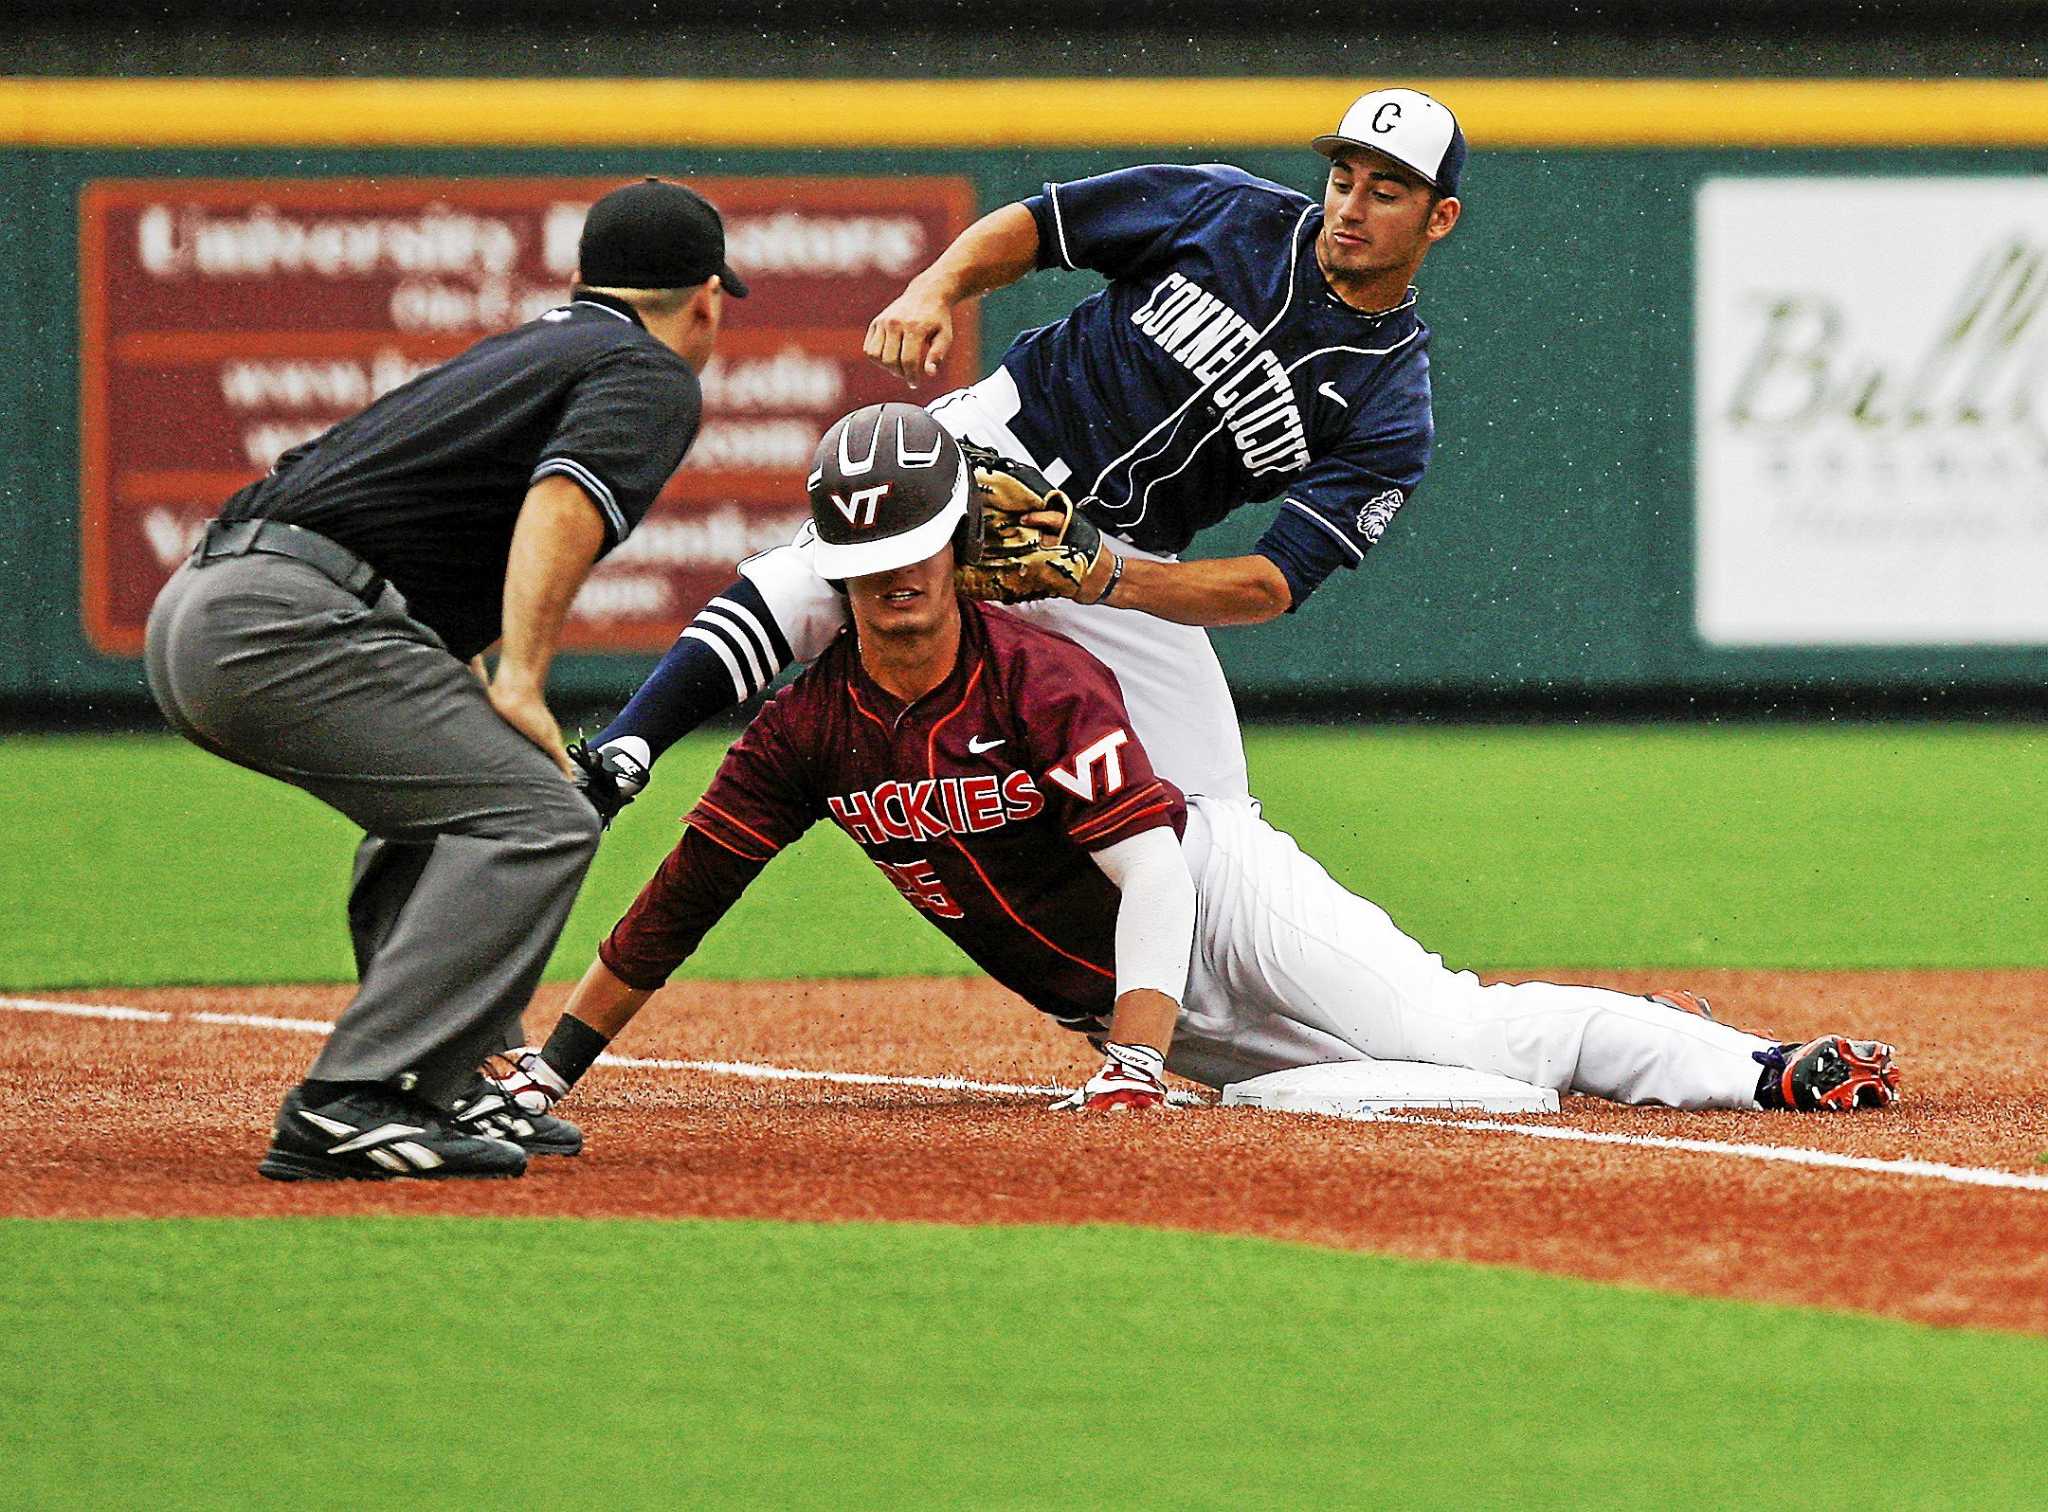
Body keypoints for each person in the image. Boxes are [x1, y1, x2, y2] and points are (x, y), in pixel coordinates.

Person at [487, 404, 1902, 1126]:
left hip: (1212, 901)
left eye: (915, 551)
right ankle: (1627, 1036)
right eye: (864, 564)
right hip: (1143, 999)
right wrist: (551, 1073)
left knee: (1473, 1040)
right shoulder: (807, 735)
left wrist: (1129, 1061)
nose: (894, 584)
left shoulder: (1037, 670)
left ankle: (1764, 1069)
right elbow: (676, 906)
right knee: (1408, 1101)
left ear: (953, 547)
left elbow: (1151, 865)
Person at [570, 86, 1465, 817]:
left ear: (1439, 219)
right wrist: (936, 286)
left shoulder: (1392, 401)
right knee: (821, 571)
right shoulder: (1228, 209)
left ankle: (1199, 1015)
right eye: (1344, 177)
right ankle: (622, 755)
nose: (1349, 206)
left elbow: (1270, 584)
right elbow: (1043, 226)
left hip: (1123, 555)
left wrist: (1105, 577)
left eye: (1386, 192)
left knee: (1216, 813)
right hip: (997, 445)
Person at [144, 177, 745, 1181]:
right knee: (540, 818)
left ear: (580, 279)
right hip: (287, 620)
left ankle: (438, 1075)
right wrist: (520, 680)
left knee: (454, 805)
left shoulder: (532, 344)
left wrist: (475, 688)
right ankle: (353, 1099)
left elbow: (399, 510)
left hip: (215, 605)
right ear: (705, 301)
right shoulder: (647, 370)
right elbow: (561, 500)